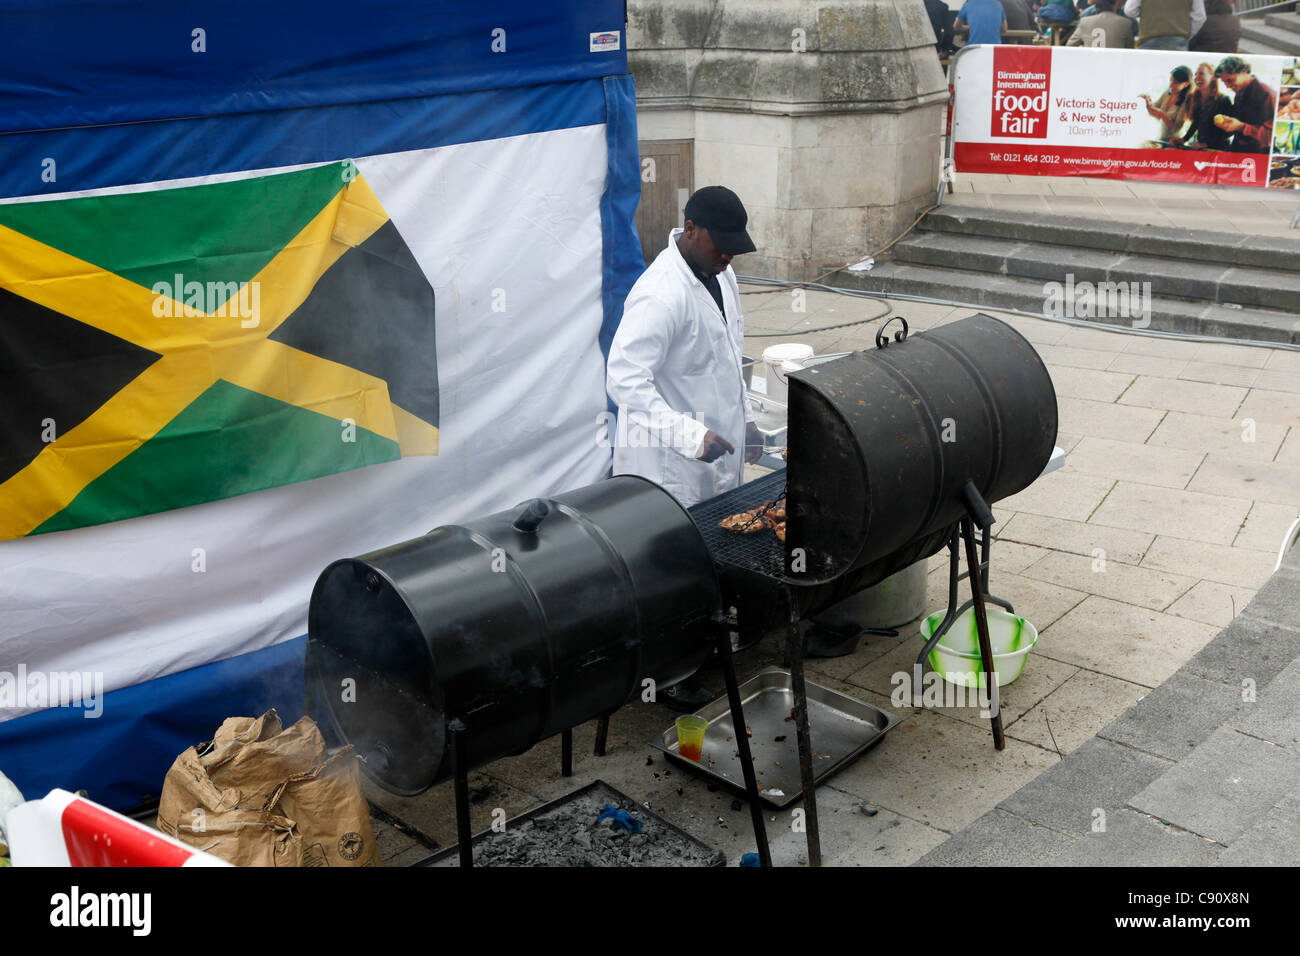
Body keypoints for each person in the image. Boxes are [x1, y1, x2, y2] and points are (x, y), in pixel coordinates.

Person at [1215, 55, 1275, 153]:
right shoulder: (1240, 92)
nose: (1227, 86)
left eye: (1230, 80)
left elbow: (1270, 136)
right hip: (1239, 150)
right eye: (1224, 82)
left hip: (1258, 154)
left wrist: (1241, 127)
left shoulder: (1267, 94)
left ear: (1243, 71)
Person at [1174, 61, 1234, 149]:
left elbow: (1229, 132)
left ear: (1213, 77)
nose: (1196, 78)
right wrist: (1183, 140)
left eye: (1201, 73)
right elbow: (1196, 123)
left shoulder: (1224, 100)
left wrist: (1206, 144)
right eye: (1196, 74)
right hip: (1202, 148)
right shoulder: (1197, 99)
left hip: (1219, 149)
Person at [1140, 66, 1193, 144]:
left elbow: (1175, 128)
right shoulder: (1168, 92)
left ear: (1186, 84)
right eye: (1170, 81)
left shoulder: (1187, 101)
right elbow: (1154, 109)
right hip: (1161, 138)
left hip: (1175, 142)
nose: (1171, 85)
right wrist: (1148, 102)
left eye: (1175, 82)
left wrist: (1162, 115)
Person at [1123, 0, 1205, 50]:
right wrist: (1187, 34)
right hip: (1178, 41)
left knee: (1148, 75)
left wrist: (1148, 13)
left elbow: (1129, 10)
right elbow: (1199, 17)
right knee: (1175, 76)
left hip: (1149, 40)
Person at [1066, 0, 1137, 46]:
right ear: (1114, 5)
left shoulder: (1085, 19)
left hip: (1091, 63)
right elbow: (1130, 47)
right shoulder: (1127, 22)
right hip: (1115, 64)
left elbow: (1070, 45)